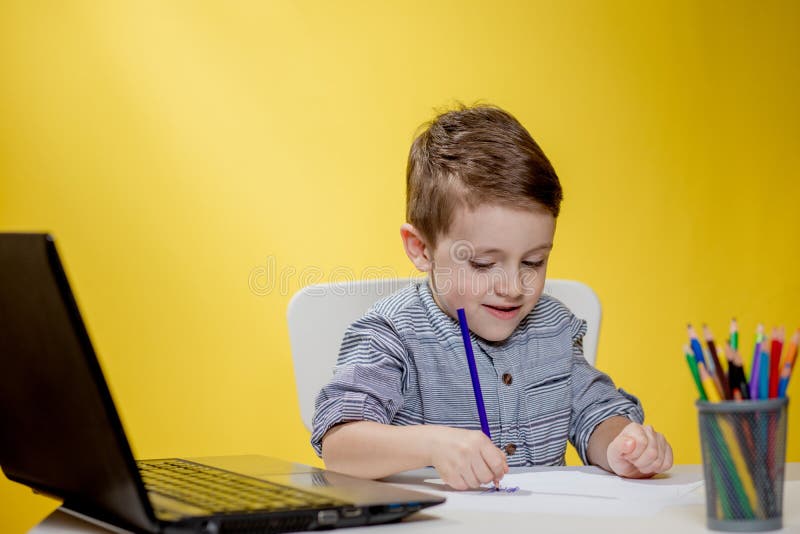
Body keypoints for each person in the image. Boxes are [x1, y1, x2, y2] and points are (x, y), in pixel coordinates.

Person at [311, 104, 673, 490]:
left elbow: (596, 416)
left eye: (533, 261)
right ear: (421, 248)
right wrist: (432, 445)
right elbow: (340, 446)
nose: (513, 286)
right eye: (484, 264)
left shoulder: (553, 328)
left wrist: (624, 445)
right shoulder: (394, 333)